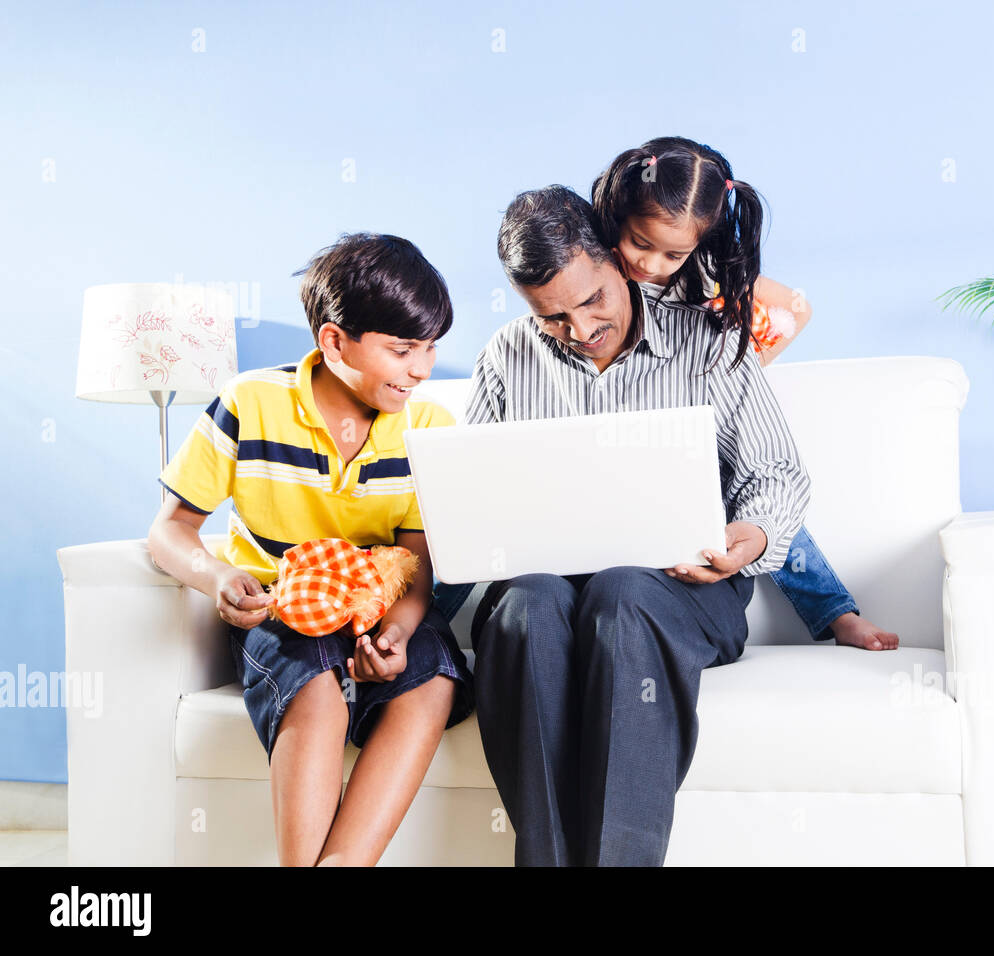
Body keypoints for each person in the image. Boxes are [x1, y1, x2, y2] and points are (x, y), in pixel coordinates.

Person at [458, 185, 810, 866]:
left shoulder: (708, 341)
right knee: (528, 606)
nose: (582, 329)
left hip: (680, 588)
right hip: (549, 587)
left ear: (616, 261)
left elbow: (777, 473)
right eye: (553, 317)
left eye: (593, 300)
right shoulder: (506, 354)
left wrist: (754, 537)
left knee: (623, 593)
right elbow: (473, 491)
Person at [146, 233, 474, 866]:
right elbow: (169, 529)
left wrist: (398, 633)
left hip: (382, 611)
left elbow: (416, 566)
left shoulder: (429, 429)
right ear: (333, 340)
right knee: (315, 685)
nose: (421, 369)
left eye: (430, 348)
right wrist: (216, 577)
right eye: (402, 350)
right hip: (281, 608)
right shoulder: (250, 403)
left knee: (430, 679)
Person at [590, 135, 898, 651]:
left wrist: (742, 367)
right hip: (616, 429)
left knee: (755, 501)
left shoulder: (704, 280)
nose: (651, 264)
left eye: (673, 253)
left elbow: (795, 309)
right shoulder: (593, 272)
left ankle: (836, 612)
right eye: (641, 243)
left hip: (686, 424)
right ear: (618, 217)